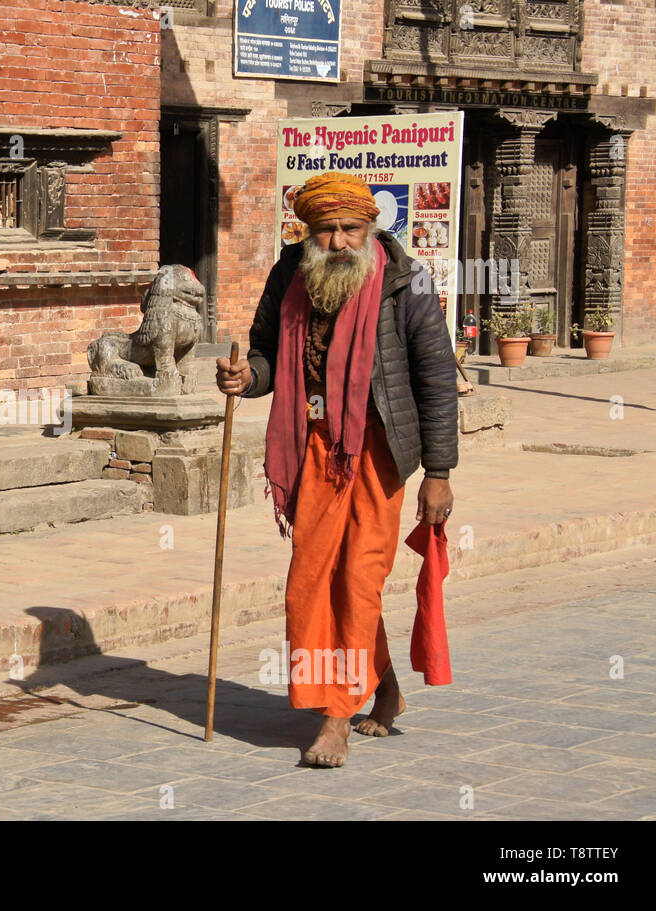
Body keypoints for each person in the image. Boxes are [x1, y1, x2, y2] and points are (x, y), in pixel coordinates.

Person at [215, 172, 458, 768]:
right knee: (311, 580)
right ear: (308, 232)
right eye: (327, 230)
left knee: (359, 579)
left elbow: (436, 378)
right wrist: (248, 378)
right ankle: (385, 690)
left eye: (351, 228)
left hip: (379, 451)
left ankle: (335, 716)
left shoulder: (407, 281)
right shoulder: (287, 275)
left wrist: (439, 470)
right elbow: (267, 352)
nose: (341, 241)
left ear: (370, 227)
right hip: (313, 446)